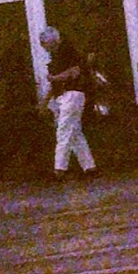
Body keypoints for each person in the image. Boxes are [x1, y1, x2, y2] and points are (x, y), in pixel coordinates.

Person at [40, 25, 97, 179]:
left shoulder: (67, 52)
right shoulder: (56, 57)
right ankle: (89, 166)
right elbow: (55, 84)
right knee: (74, 132)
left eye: (44, 44)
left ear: (51, 42)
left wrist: (54, 78)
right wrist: (45, 102)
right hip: (66, 95)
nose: (44, 48)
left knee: (63, 130)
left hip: (72, 94)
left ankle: (59, 170)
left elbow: (74, 72)